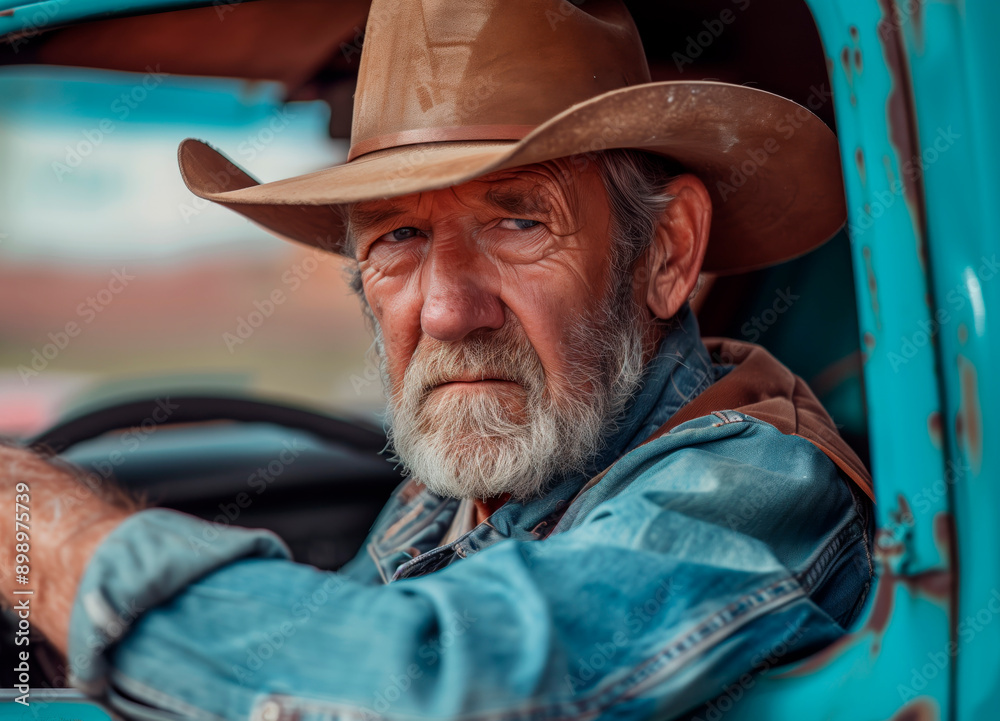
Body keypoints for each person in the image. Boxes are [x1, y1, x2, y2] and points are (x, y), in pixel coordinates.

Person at [0, 0, 875, 719]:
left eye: (519, 222)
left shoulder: (753, 484)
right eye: (400, 237)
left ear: (665, 255)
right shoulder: (468, 485)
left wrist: (47, 534)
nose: (451, 310)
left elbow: (428, 693)